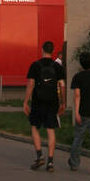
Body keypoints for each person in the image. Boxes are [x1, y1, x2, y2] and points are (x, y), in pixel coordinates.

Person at [24, 40, 65, 172]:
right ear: (53, 51)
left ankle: (39, 156)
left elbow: (30, 84)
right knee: (50, 129)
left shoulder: (35, 65)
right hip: (52, 101)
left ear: (42, 50)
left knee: (35, 127)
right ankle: (51, 162)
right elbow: (62, 85)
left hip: (38, 101)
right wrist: (63, 102)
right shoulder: (58, 67)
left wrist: (26, 101)